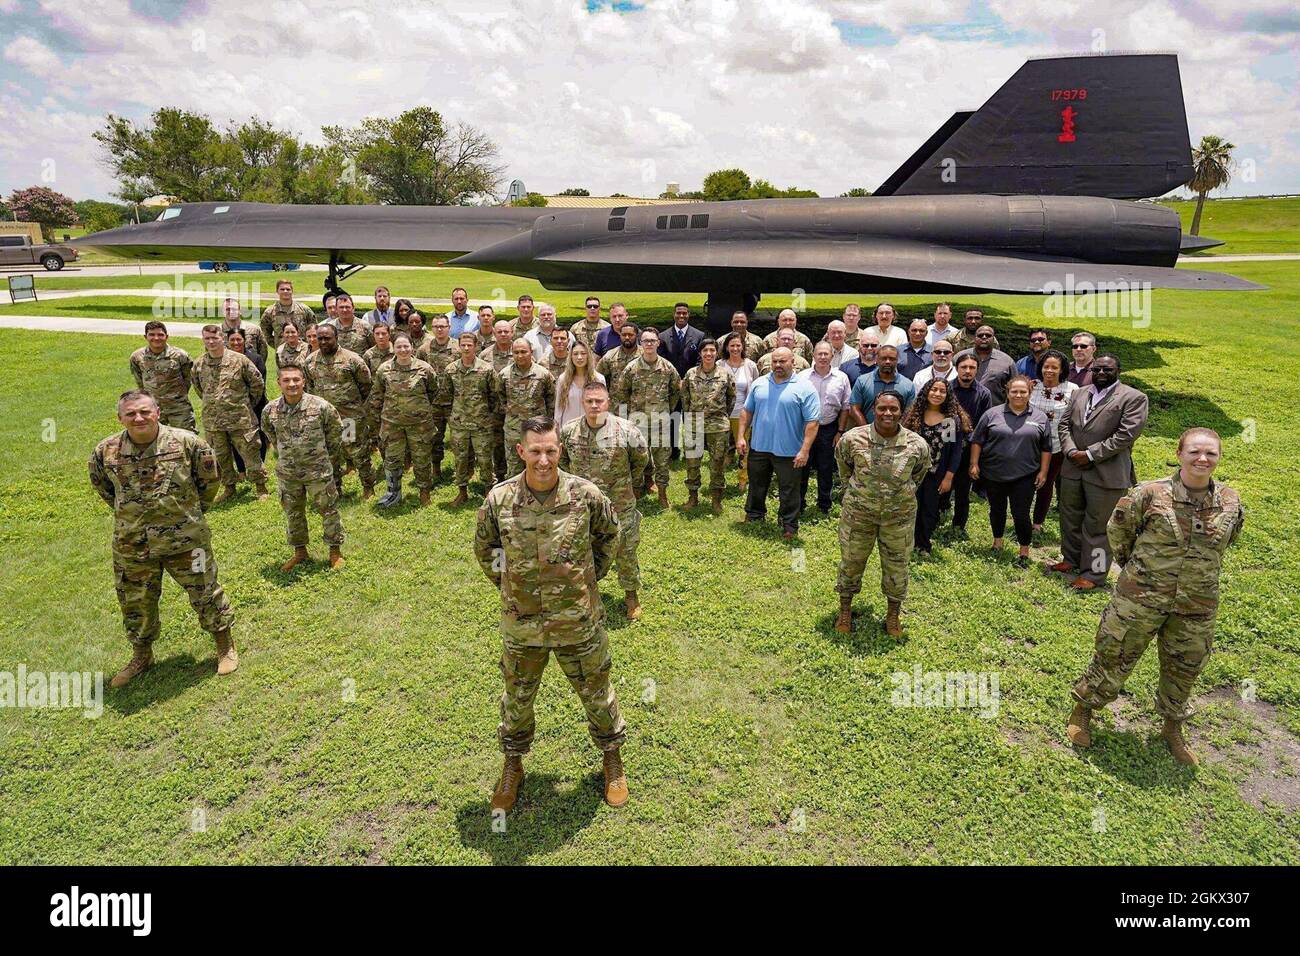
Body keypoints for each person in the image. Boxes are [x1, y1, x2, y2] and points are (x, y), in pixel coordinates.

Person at [473, 417, 627, 812]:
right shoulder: (499, 500)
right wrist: (510, 587)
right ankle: (513, 766)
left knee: (596, 691)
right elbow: (487, 550)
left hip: (578, 619)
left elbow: (609, 536)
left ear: (561, 451)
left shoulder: (586, 495)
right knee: (517, 698)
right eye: (536, 451)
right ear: (521, 451)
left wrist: (588, 579)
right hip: (521, 623)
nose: (544, 460)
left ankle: (611, 759)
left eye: (551, 450)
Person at [1066, 428, 1244, 766]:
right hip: (1140, 599)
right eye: (1194, 452)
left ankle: (1172, 726)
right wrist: (1141, 574)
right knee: (1114, 653)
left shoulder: (1230, 501)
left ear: (1219, 458)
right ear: (1179, 454)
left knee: (1185, 665)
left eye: (1210, 453)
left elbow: (1228, 541)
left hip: (1196, 604)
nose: (1202, 459)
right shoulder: (1148, 494)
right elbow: (1119, 535)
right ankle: (1084, 710)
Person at [90, 390, 237, 687]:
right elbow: (104, 487)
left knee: (204, 590)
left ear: (157, 412)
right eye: (130, 413)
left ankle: (224, 645)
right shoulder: (106, 451)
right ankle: (142, 655)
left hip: (185, 538)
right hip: (132, 542)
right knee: (135, 600)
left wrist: (187, 512)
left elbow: (208, 482)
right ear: (120, 418)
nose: (138, 418)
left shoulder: (188, 443)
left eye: (144, 411)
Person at [834, 391, 930, 636]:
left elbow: (918, 476)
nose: (888, 413)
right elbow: (845, 470)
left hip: (898, 519)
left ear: (902, 411)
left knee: (897, 567)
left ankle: (893, 615)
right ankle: (845, 610)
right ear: (873, 410)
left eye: (893, 409)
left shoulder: (916, 444)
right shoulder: (853, 439)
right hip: (858, 515)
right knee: (851, 562)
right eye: (882, 408)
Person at [1051, 353, 1149, 589]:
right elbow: (1065, 425)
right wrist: (1072, 451)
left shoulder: (1133, 398)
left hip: (1106, 472)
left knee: (1098, 526)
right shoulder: (1080, 393)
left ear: (1118, 371)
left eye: (1108, 370)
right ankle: (1071, 559)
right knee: (1070, 517)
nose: (1101, 373)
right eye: (1097, 370)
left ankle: (1093, 574)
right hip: (1073, 467)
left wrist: (1091, 454)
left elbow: (1125, 435)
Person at [559, 381, 650, 619]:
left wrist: (626, 484)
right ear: (582, 403)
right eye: (589, 401)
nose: (594, 405)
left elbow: (640, 459)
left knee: (626, 549)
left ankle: (631, 595)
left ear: (608, 402)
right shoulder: (569, 431)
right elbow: (564, 463)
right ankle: (587, 593)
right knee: (583, 551)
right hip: (584, 507)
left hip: (620, 502)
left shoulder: (627, 430)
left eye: (599, 401)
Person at [261, 365, 345, 572]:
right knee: (293, 513)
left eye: (296, 380)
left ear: (303, 381)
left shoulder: (321, 406)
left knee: (328, 510)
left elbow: (335, 433)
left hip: (318, 471)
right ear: (278, 383)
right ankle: (300, 552)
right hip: (288, 473)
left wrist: (325, 457)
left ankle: (335, 552)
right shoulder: (270, 410)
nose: (292, 384)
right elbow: (270, 433)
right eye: (287, 380)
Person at [736, 347, 820, 539]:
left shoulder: (805, 388)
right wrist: (741, 436)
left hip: (789, 450)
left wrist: (805, 450)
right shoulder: (759, 383)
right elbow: (746, 411)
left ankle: (789, 524)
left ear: (793, 362)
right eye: (775, 361)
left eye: (783, 361)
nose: (778, 365)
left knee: (789, 489)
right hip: (759, 446)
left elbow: (812, 422)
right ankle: (755, 514)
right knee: (757, 484)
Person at [969, 376, 1052, 566]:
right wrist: (974, 463)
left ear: (1030, 394)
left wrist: (1044, 472)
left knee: (1021, 513)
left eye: (1023, 391)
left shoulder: (1039, 417)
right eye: (1014, 391)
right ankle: (997, 541)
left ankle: (1024, 550)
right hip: (994, 472)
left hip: (1025, 474)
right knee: (996, 509)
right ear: (1007, 393)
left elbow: (1046, 448)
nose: (1018, 395)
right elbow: (977, 441)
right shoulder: (992, 414)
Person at [193, 324, 268, 502]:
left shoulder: (239, 360)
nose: (211, 342)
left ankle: (260, 486)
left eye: (215, 338)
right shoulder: (199, 364)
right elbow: (198, 388)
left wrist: (244, 403)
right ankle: (229, 487)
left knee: (250, 453)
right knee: (221, 457)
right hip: (214, 422)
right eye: (207, 338)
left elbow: (257, 384)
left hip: (240, 418)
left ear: (222, 339)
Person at [304, 323, 375, 499]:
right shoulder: (310, 362)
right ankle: (335, 489)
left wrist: (353, 407)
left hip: (348, 418)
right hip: (324, 420)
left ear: (336, 338)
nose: (323, 341)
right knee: (329, 456)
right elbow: (310, 388)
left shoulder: (352, 360)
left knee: (357, 452)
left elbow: (366, 386)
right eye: (319, 338)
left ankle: (368, 486)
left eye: (327, 338)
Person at [368, 334, 439, 507]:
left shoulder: (425, 368)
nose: (403, 350)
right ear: (394, 347)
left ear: (412, 347)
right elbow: (377, 395)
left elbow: (433, 391)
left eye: (406, 346)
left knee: (422, 459)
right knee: (392, 459)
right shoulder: (384, 369)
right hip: (392, 424)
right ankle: (393, 493)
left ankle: (424, 493)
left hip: (420, 424)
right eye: (399, 346)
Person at [902, 378, 970, 553]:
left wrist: (948, 477)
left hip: (936, 474)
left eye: (942, 391)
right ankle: (908, 543)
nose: (937, 394)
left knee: (930, 510)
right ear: (926, 391)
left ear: (947, 396)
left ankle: (924, 545)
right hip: (912, 473)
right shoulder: (915, 415)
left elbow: (954, 452)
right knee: (910, 508)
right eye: (934, 390)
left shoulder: (949, 420)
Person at [616, 327, 682, 506]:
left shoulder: (667, 367)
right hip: (638, 424)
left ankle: (662, 493)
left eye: (652, 340)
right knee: (637, 460)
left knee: (662, 460)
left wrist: (666, 409)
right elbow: (622, 393)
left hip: (661, 423)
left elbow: (676, 391)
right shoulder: (632, 368)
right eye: (645, 341)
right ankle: (636, 492)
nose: (649, 344)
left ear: (658, 343)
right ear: (640, 343)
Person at [681, 338, 736, 513]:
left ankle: (716, 499)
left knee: (717, 463)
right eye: (705, 350)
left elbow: (731, 398)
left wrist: (720, 414)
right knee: (692, 463)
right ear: (700, 353)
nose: (709, 354)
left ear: (717, 353)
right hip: (694, 425)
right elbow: (685, 398)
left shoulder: (725, 374)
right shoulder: (690, 374)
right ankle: (693, 497)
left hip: (718, 426)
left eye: (712, 350)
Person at [798, 342, 852, 515]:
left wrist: (840, 432)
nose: (822, 357)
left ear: (832, 356)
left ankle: (824, 505)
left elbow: (845, 407)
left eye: (826, 354)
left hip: (829, 429)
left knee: (826, 468)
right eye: (819, 354)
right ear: (813, 356)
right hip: (805, 428)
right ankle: (799, 503)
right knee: (801, 467)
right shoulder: (802, 377)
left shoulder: (841, 378)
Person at [1027, 350, 1077, 533]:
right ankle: (1022, 518)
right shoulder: (1032, 386)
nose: (1049, 370)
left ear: (1062, 369)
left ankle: (1037, 524)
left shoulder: (1073, 390)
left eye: (1054, 367)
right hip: (1030, 444)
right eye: (1046, 366)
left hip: (1056, 445)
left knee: (1045, 484)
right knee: (1026, 482)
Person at [447, 332, 499, 505]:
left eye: (470, 345)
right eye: (463, 345)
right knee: (460, 459)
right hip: (459, 424)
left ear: (476, 346)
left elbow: (494, 395)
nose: (467, 348)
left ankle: (488, 491)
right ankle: (462, 491)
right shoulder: (451, 369)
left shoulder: (486, 369)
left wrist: (486, 415)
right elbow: (447, 395)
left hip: (481, 424)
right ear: (459, 346)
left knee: (484, 459)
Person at [944, 353, 994, 536]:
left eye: (972, 367)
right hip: (947, 444)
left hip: (969, 447)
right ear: (957, 368)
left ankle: (959, 526)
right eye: (964, 367)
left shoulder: (983, 393)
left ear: (977, 370)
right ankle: (939, 516)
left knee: (963, 490)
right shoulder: (946, 389)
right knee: (942, 485)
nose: (967, 371)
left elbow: (984, 424)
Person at [494, 338, 556, 477]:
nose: (520, 355)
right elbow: (500, 397)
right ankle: (517, 496)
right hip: (513, 429)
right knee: (514, 467)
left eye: (523, 352)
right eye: (516, 352)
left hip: (538, 430)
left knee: (538, 465)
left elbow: (551, 399)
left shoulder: (543, 374)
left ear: (531, 352)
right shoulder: (504, 375)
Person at [130, 321, 196, 431]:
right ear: (145, 337)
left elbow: (188, 378)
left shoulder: (180, 355)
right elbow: (139, 380)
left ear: (166, 336)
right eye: (152, 334)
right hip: (153, 408)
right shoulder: (137, 357)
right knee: (153, 439)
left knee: (187, 438)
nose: (156, 338)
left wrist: (176, 396)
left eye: (160, 334)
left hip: (179, 408)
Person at [226, 328, 269, 472]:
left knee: (257, 438)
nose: (236, 342)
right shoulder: (224, 359)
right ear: (227, 341)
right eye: (232, 339)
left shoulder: (255, 359)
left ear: (244, 340)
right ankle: (242, 470)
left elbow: (259, 384)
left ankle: (260, 466)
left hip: (255, 405)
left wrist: (248, 402)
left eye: (239, 339)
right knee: (235, 438)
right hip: (233, 407)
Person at [723, 332, 759, 491]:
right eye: (732, 345)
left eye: (738, 345)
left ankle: (743, 480)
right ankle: (718, 480)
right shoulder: (719, 365)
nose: (735, 348)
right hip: (722, 414)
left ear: (743, 346)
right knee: (721, 449)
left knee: (743, 449)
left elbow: (755, 389)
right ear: (726, 347)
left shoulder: (750, 365)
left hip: (742, 414)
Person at [848, 344, 915, 425]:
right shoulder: (862, 381)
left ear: (897, 360)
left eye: (892, 359)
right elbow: (854, 409)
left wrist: (897, 432)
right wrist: (868, 431)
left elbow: (909, 413)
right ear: (877, 359)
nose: (887, 361)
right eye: (883, 358)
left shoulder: (908, 385)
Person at [954, 327, 1015, 403]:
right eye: (980, 335)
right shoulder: (959, 357)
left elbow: (1014, 388)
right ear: (974, 338)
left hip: (994, 410)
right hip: (962, 408)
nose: (984, 337)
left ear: (993, 339)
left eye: (988, 335)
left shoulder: (1007, 361)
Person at [554, 340, 604, 430]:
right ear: (571, 356)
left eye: (583, 353)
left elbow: (602, 408)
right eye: (576, 354)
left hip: (592, 431)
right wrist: (558, 432)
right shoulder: (563, 379)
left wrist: (601, 430)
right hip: (568, 431)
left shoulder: (598, 379)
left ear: (588, 356)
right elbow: (558, 409)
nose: (579, 357)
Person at [260, 278, 316, 349]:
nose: (285, 291)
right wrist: (278, 344)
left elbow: (314, 328)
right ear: (277, 291)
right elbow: (264, 332)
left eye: (288, 289)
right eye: (282, 289)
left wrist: (308, 344)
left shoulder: (304, 309)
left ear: (292, 291)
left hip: (303, 352)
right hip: (282, 354)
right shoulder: (270, 312)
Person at [597, 321, 640, 398]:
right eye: (624, 335)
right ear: (620, 335)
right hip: (618, 404)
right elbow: (597, 377)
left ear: (636, 336)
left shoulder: (645, 355)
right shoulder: (610, 356)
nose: (627, 337)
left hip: (640, 404)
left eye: (630, 335)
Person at [220, 297, 268, 363]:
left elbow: (263, 352)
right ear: (223, 312)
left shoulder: (254, 330)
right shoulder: (217, 332)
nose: (231, 312)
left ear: (240, 311)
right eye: (228, 309)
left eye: (234, 309)